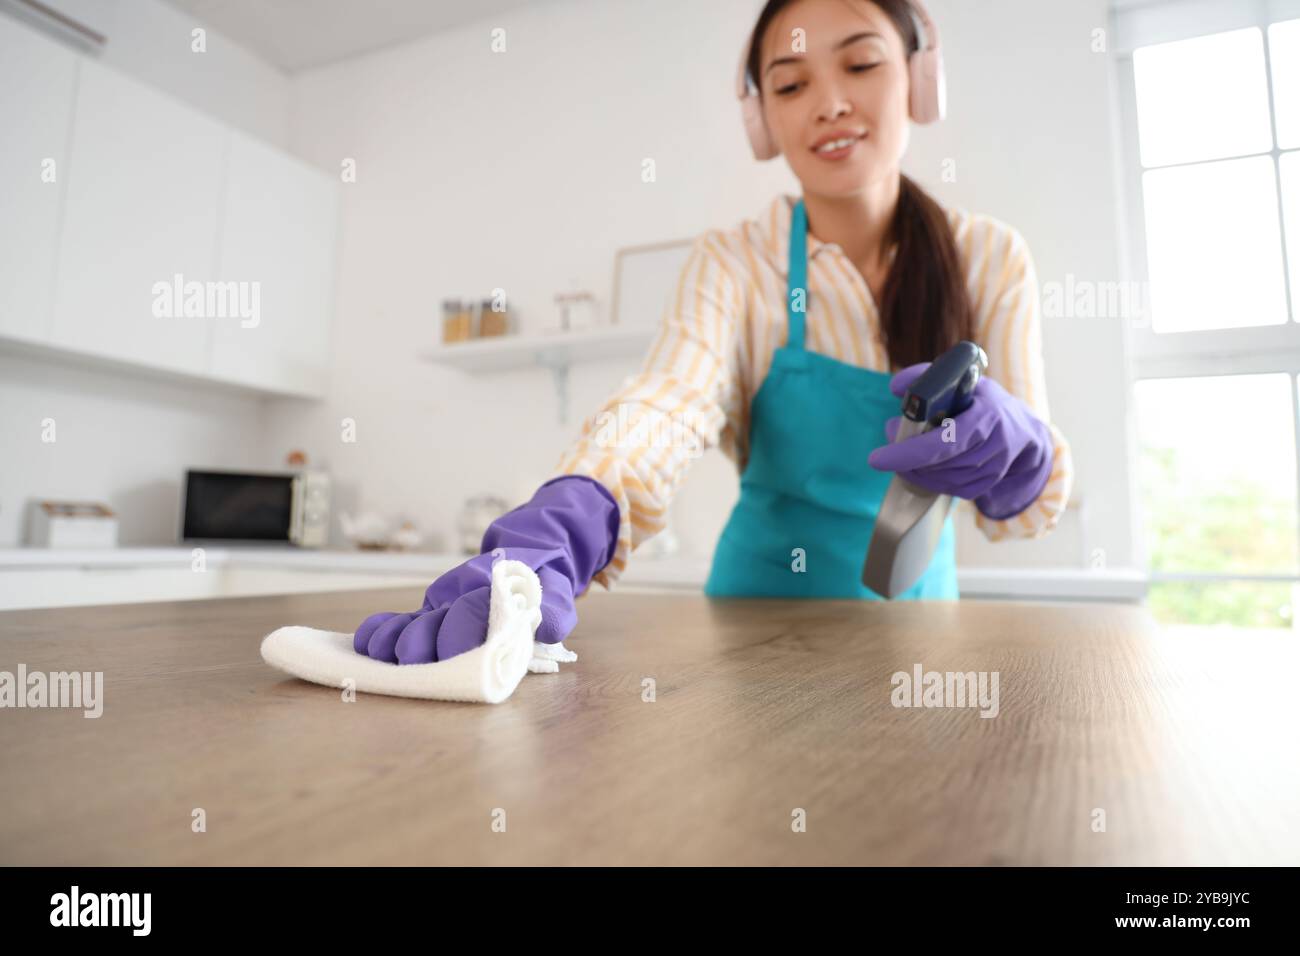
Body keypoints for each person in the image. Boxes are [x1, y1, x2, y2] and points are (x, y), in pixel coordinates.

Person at [353, 0, 1074, 664]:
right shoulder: (733, 261)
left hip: (918, 625)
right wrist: (576, 513)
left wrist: (1021, 456)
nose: (829, 103)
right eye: (791, 86)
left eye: (860, 64)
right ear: (761, 120)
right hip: (755, 626)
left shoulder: (990, 257)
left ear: (920, 80)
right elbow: (671, 400)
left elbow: (1030, 514)